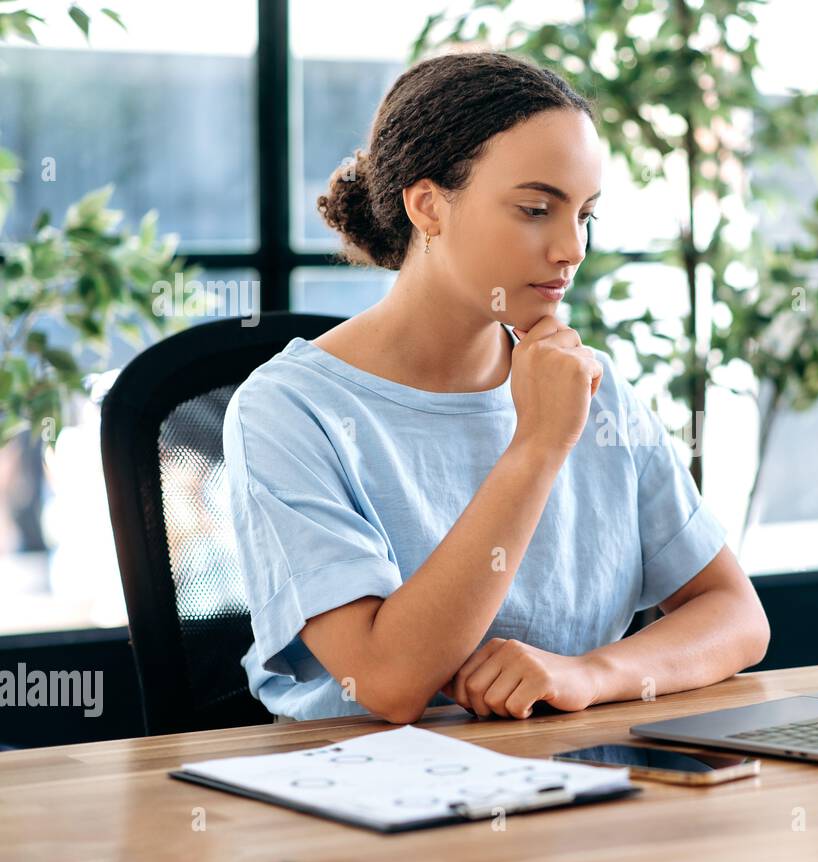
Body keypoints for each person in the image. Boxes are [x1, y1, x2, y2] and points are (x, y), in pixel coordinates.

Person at [223, 50, 769, 726]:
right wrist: (537, 447)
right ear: (428, 206)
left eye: (585, 216)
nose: (572, 248)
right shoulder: (288, 410)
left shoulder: (592, 387)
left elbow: (736, 615)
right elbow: (385, 682)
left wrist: (589, 674)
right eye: (537, 208)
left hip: (575, 782)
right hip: (367, 803)